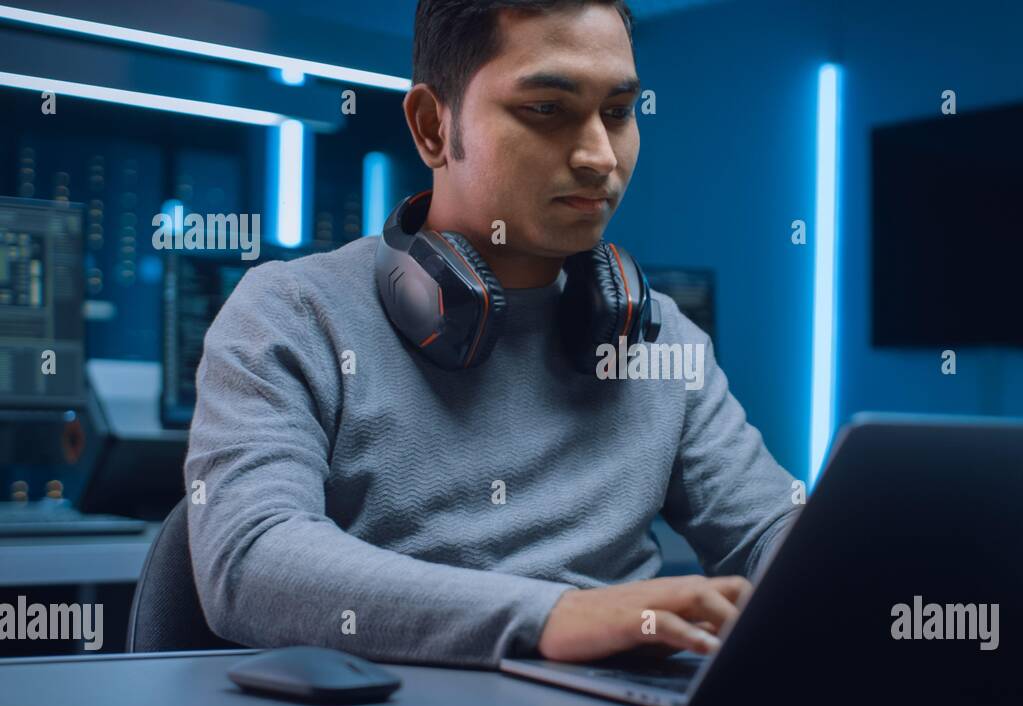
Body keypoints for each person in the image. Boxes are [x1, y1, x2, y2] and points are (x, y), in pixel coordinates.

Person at [186, 0, 799, 669]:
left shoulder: (660, 341)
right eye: (546, 109)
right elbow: (249, 559)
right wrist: (550, 616)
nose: (599, 156)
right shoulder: (292, 312)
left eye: (618, 112)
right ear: (431, 127)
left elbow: (769, 531)